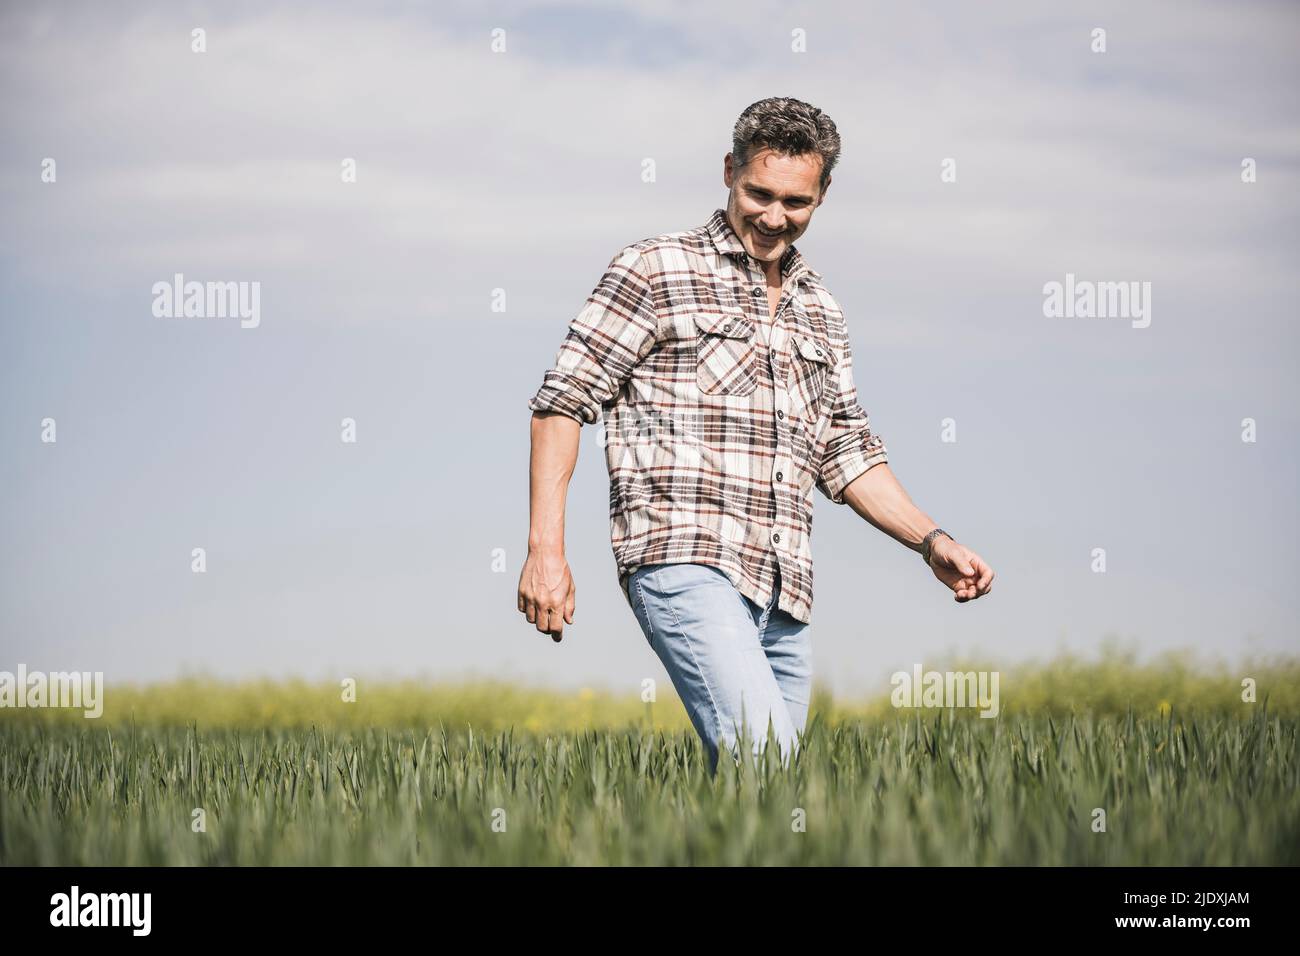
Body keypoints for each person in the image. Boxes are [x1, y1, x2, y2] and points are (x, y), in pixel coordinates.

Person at [519, 96, 994, 774]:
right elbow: (561, 403)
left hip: (784, 591)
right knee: (767, 764)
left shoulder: (820, 309)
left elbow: (845, 449)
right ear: (728, 173)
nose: (774, 217)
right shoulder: (655, 269)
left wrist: (931, 541)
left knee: (769, 808)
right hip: (683, 557)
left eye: (795, 202)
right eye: (758, 193)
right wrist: (546, 550)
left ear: (822, 194)